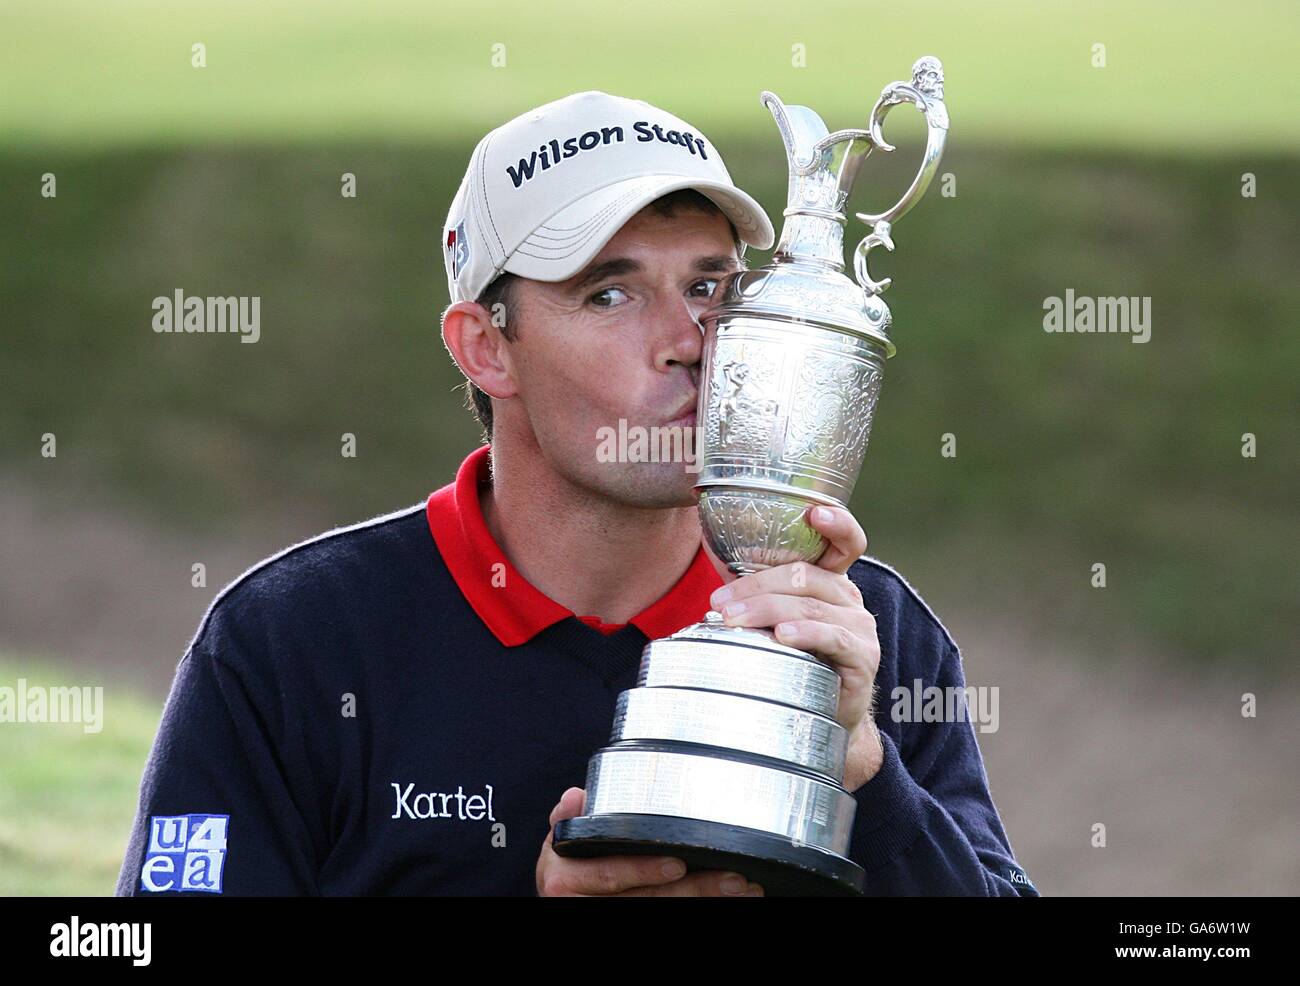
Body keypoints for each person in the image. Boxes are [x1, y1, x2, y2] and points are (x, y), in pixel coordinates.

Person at [115, 90, 1038, 897]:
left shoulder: (858, 631)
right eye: (610, 293)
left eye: (712, 285)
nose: (692, 339)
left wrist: (869, 777)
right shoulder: (292, 642)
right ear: (485, 345)